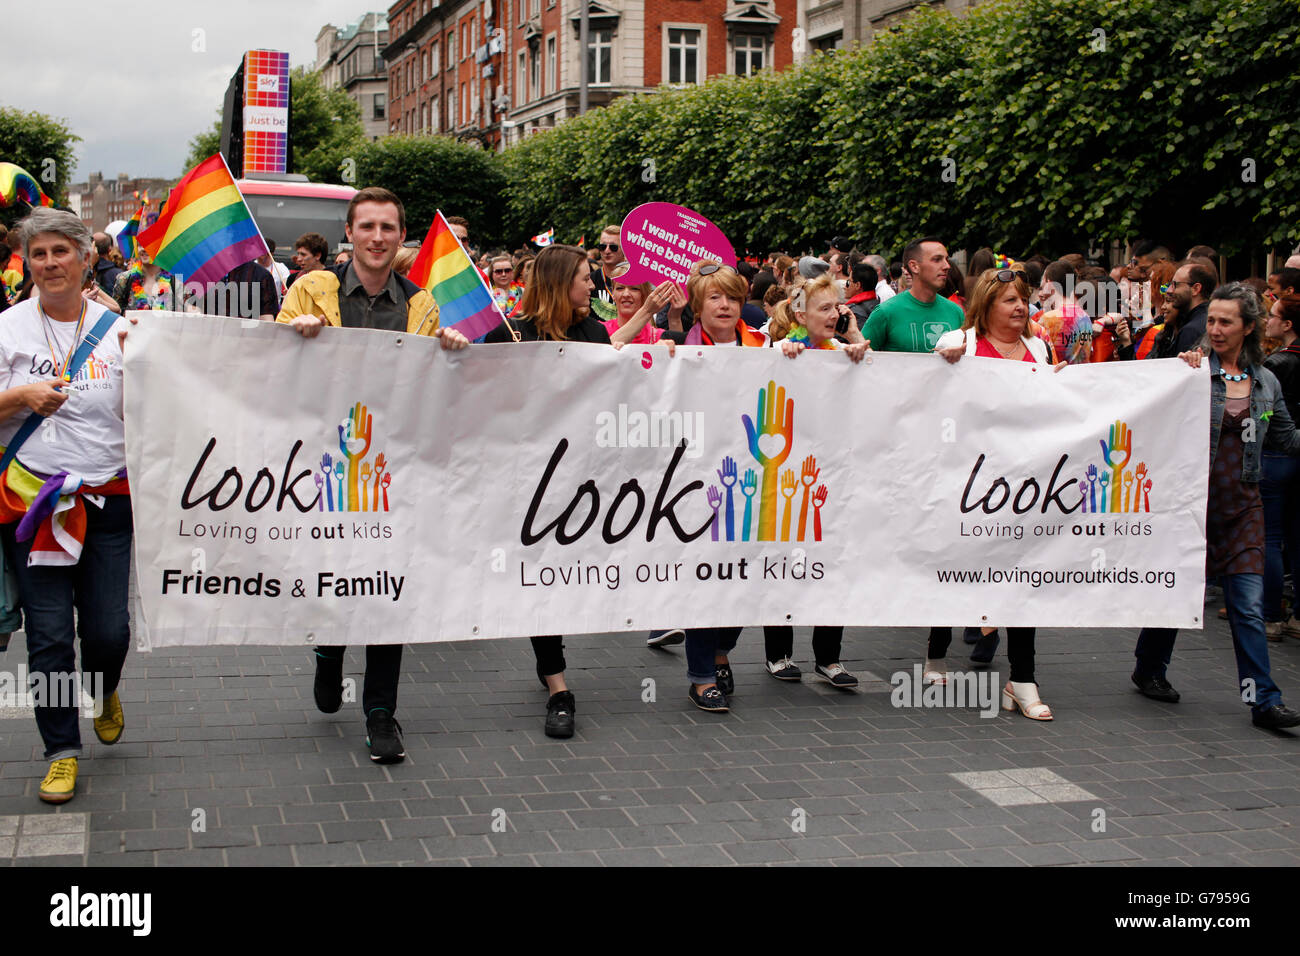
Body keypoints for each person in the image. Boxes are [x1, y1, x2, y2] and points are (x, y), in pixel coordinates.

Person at [277, 187, 468, 763]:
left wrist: (449, 347)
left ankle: (382, 712)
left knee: (389, 586)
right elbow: (269, 361)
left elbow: (430, 379)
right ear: (350, 234)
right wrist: (294, 331)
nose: (378, 238)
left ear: (401, 236)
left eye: (389, 227)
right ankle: (330, 651)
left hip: (394, 465)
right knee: (339, 572)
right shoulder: (311, 288)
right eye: (368, 227)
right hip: (327, 461)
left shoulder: (422, 303)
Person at [0, 209, 132, 803]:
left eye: (60, 251)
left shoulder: (120, 329)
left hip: (108, 499)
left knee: (107, 630)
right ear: (28, 263)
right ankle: (60, 749)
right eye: (39, 254)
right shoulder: (7, 329)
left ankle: (104, 689)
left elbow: (155, 407)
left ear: (86, 258)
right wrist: (20, 395)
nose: (50, 263)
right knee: (50, 637)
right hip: (32, 503)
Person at [1132, 283, 1300, 730]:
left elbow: (1287, 440)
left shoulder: (1266, 383)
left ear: (1249, 327)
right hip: (1191, 506)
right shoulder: (1189, 372)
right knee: (1176, 592)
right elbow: (1136, 397)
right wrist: (1176, 369)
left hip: (1244, 508)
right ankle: (1149, 667)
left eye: (1226, 321)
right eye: (1212, 320)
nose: (1216, 328)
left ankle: (1263, 700)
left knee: (1246, 607)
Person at [482, 244, 613, 736]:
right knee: (542, 577)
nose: (592, 285)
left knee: (567, 575)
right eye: (584, 276)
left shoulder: (593, 331)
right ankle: (559, 687)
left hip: (584, 478)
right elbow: (476, 392)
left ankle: (550, 666)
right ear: (561, 282)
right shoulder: (511, 333)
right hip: (529, 480)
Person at [930, 267, 1064, 719]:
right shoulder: (958, 343)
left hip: (1024, 487)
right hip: (970, 484)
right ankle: (935, 652)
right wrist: (942, 365)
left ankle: (1023, 679)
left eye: (1023, 299)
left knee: (1025, 577)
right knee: (958, 567)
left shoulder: (1038, 348)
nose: (1020, 307)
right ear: (986, 305)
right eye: (1009, 300)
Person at [1262, 294, 1300, 639]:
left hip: (1274, 455)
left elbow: (1266, 414)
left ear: (1287, 324)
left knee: (1271, 537)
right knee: (1296, 536)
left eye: (1273, 315)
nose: (1268, 321)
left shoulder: (1276, 365)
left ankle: (1271, 615)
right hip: (1296, 451)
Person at [861, 237, 964, 352]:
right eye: (937, 259)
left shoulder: (956, 312)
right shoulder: (886, 312)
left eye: (946, 259)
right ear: (914, 266)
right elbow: (861, 356)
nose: (946, 266)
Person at [589, 225, 626, 311]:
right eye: (603, 247)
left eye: (613, 247)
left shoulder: (636, 281)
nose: (607, 251)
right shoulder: (590, 280)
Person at [844, 261, 879, 327]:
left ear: (857, 285)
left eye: (848, 282)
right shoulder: (879, 305)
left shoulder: (852, 313)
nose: (845, 287)